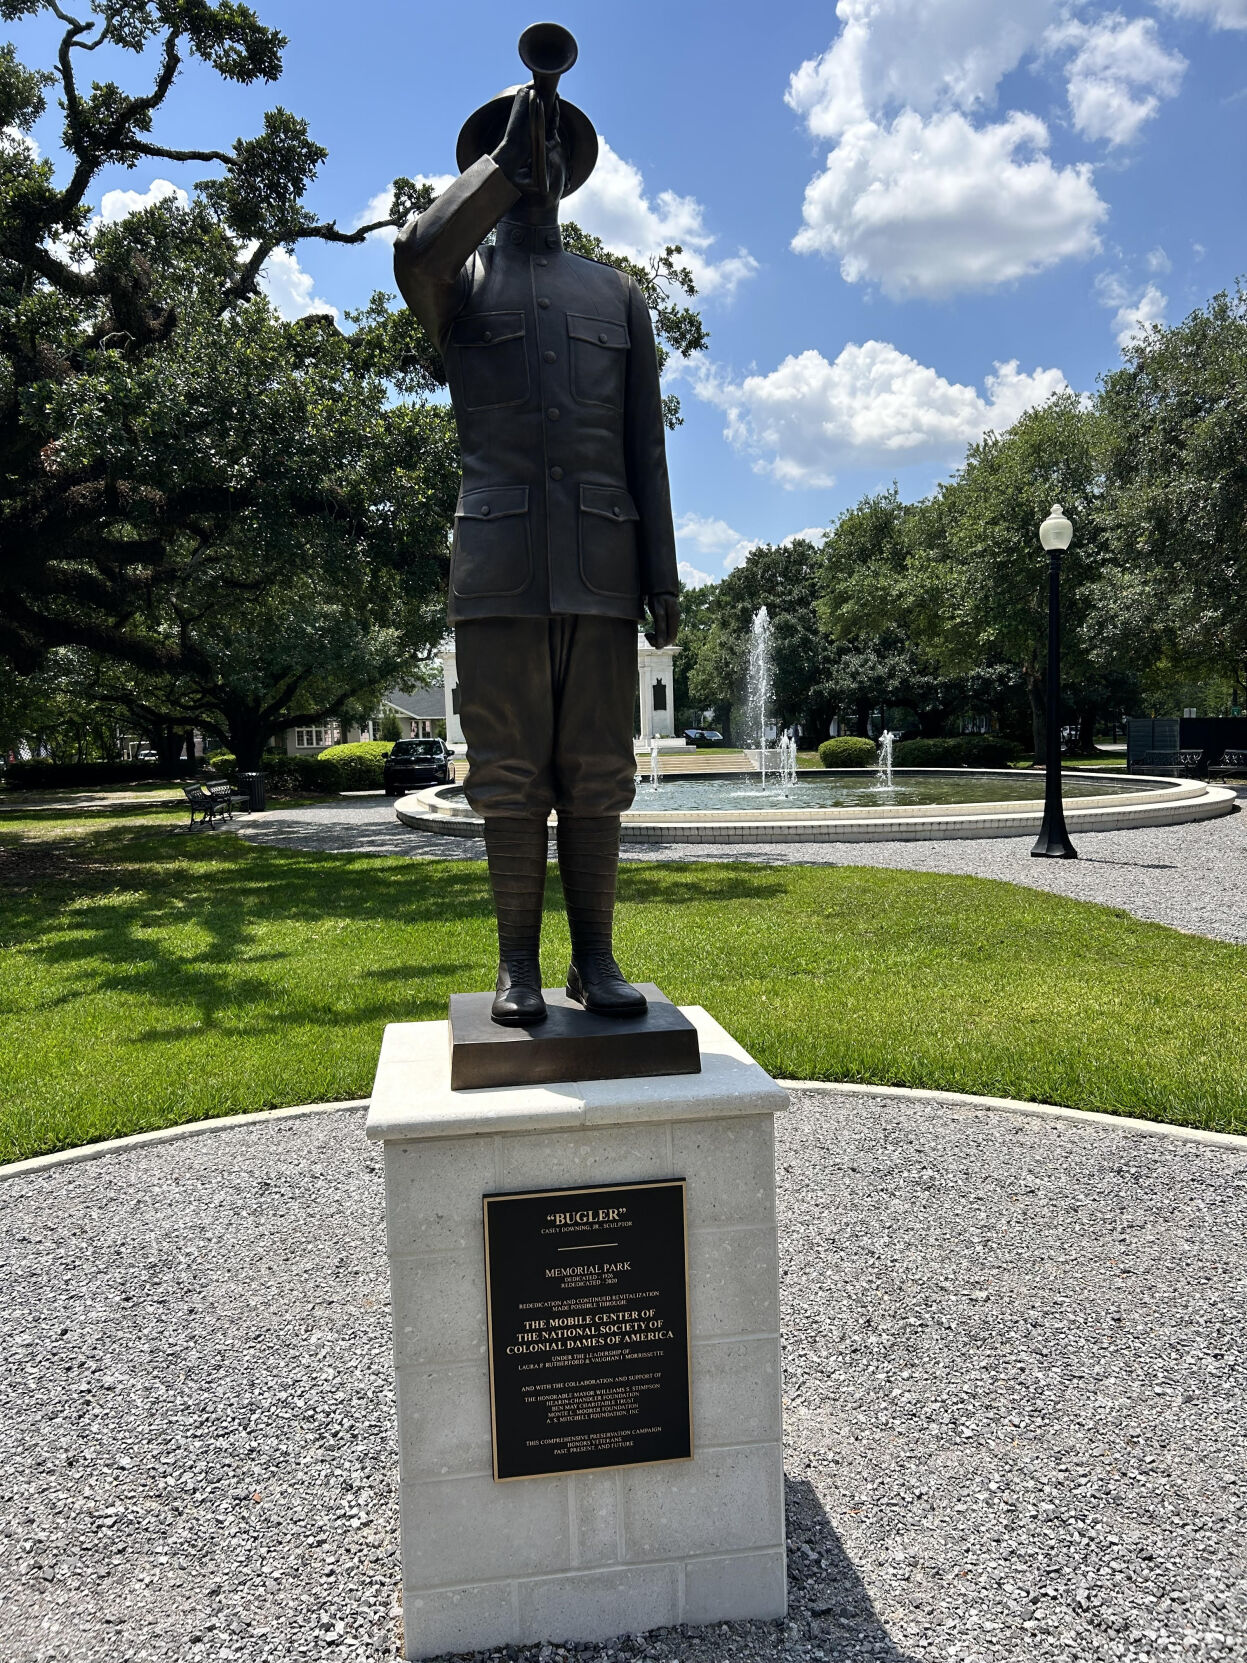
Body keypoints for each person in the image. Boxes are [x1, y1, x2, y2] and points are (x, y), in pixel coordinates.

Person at [394, 66, 680, 1027]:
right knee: (509, 773)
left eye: (553, 148)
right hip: (500, 570)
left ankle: (594, 962)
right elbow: (418, 254)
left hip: (602, 571)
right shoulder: (461, 285)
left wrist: (662, 577)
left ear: (577, 169)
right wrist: (499, 172)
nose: (541, 161)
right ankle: (517, 964)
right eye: (526, 148)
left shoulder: (617, 297)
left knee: (598, 770)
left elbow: (645, 443)